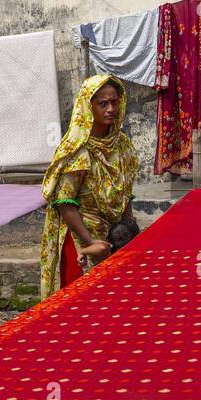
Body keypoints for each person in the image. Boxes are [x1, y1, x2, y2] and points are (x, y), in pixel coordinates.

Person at [39, 73, 140, 299]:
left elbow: (125, 194)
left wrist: (129, 230)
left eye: (114, 102)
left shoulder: (121, 146)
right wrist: (90, 241)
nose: (110, 109)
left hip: (114, 236)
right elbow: (64, 202)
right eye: (102, 104)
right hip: (81, 239)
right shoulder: (78, 150)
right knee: (82, 302)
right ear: (88, 107)